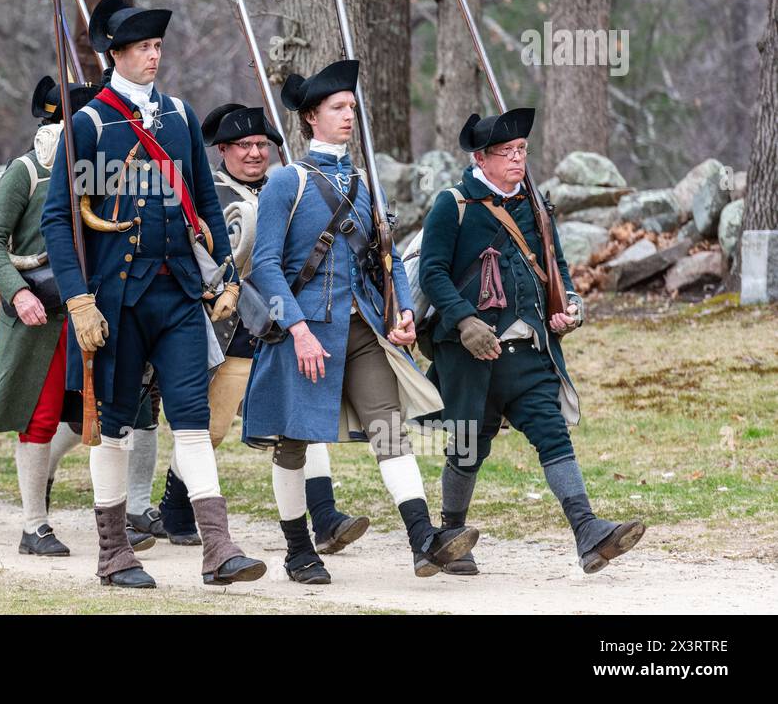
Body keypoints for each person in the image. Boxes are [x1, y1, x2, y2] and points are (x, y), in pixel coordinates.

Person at [42, 0, 265, 589]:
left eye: (158, 46)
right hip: (114, 303)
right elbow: (58, 221)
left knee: (191, 419)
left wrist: (225, 272)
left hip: (179, 295)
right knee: (113, 423)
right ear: (115, 54)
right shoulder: (88, 124)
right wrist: (77, 298)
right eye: (143, 47)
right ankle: (114, 553)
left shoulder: (179, 116)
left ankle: (218, 548)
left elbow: (206, 201)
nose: (153, 56)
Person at [242, 59, 472, 583]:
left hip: (364, 328)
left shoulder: (365, 181)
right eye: (338, 108)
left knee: (390, 430)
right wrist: (298, 329)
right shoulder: (286, 182)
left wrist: (403, 312)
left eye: (351, 107)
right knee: (294, 444)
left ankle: (422, 540)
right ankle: (299, 550)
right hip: (302, 331)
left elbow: (383, 261)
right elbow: (267, 266)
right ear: (311, 118)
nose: (349, 116)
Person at [420, 108, 645, 574]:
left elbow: (556, 265)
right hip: (469, 355)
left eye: (523, 150)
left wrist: (570, 306)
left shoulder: (535, 203)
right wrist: (464, 320)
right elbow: (433, 273)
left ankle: (588, 531)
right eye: (508, 152)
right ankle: (450, 537)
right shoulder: (453, 203)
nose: (518, 159)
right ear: (481, 158)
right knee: (466, 447)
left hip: (528, 350)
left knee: (551, 432)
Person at [155, 102, 370, 556]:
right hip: (234, 327)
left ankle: (326, 517)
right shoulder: (208, 195)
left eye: (260, 145)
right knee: (210, 429)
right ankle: (174, 509)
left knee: (303, 418)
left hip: (287, 322)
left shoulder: (289, 185)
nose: (254, 153)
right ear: (223, 151)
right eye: (243, 146)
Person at [0, 76, 99, 556]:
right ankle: (34, 525)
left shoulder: (104, 171)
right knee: (40, 417)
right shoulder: (26, 171)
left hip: (92, 310)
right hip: (41, 314)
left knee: (98, 416)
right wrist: (18, 292)